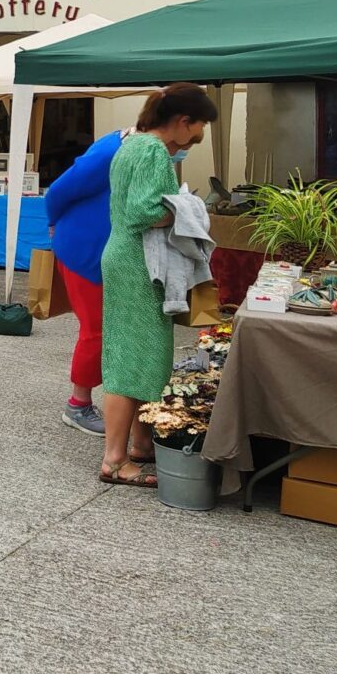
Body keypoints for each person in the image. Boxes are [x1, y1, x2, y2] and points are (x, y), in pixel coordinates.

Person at [99, 83, 217, 487]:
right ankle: (115, 459)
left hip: (124, 256)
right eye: (199, 126)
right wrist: (188, 209)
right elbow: (144, 211)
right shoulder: (152, 150)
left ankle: (140, 443)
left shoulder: (131, 144)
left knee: (136, 352)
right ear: (183, 122)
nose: (197, 136)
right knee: (133, 358)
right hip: (139, 261)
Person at [43, 127, 130, 437]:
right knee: (97, 328)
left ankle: (95, 401)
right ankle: (78, 405)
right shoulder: (111, 151)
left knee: (103, 327)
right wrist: (53, 221)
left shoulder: (126, 146)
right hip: (84, 250)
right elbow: (58, 190)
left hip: (98, 249)